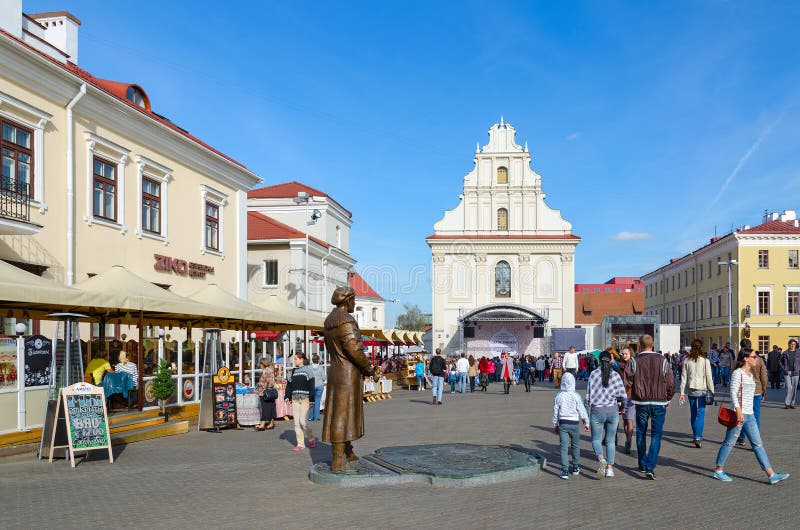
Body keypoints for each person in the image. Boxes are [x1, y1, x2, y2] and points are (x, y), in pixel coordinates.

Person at [713, 349, 790, 484]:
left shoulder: (750, 374)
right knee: (729, 443)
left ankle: (771, 475)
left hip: (750, 415)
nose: (757, 358)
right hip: (739, 415)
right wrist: (738, 411)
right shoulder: (738, 373)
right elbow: (733, 393)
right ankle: (718, 470)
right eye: (754, 357)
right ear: (746, 358)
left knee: (758, 444)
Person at [321, 286, 375, 472]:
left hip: (336, 370)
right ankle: (337, 458)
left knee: (344, 411)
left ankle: (348, 449)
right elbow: (355, 349)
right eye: (353, 300)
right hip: (347, 373)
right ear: (348, 300)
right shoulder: (346, 321)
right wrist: (368, 368)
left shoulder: (329, 321)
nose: (354, 304)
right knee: (342, 414)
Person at [631, 334, 675, 480]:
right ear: (653, 344)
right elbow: (670, 381)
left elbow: (627, 381)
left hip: (641, 402)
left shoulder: (635, 361)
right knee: (656, 435)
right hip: (659, 401)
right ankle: (650, 467)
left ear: (639, 345)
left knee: (641, 433)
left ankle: (643, 464)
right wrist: (667, 397)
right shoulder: (663, 360)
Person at [585, 350, 626, 478]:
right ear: (610, 360)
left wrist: (586, 413)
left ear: (599, 360)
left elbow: (587, 397)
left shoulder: (593, 374)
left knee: (596, 439)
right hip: (612, 411)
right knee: (610, 441)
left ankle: (601, 459)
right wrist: (622, 407)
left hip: (597, 411)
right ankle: (610, 469)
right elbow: (623, 396)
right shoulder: (615, 375)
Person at [552, 372, 589, 479]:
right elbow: (582, 410)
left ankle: (565, 470)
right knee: (575, 446)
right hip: (574, 423)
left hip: (563, 423)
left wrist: (555, 423)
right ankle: (576, 467)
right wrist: (586, 422)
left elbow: (555, 411)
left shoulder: (559, 395)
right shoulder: (576, 395)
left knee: (564, 447)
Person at [678, 339, 714, 448]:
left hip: (690, 390)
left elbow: (683, 378)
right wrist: (712, 390)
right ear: (701, 347)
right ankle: (698, 437)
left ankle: (695, 435)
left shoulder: (687, 361)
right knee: (700, 414)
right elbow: (709, 377)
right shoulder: (705, 361)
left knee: (693, 413)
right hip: (701, 390)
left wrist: (682, 392)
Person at [737, 338, 767, 446]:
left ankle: (741, 438)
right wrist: (764, 389)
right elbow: (764, 376)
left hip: (744, 391)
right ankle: (756, 441)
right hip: (757, 390)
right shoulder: (759, 360)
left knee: (743, 414)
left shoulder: (740, 359)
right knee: (755, 416)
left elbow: (733, 372)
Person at [284, 352, 315, 450]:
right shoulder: (293, 371)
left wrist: (312, 400)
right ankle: (300, 444)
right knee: (296, 423)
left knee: (303, 422)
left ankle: (310, 438)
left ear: (302, 360)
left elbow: (311, 386)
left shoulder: (308, 371)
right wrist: (287, 397)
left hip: (305, 399)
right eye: (294, 359)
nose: (294, 361)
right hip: (295, 399)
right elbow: (289, 385)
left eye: (296, 359)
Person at [617, 347, 636, 454]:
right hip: (622, 395)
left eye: (626, 354)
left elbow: (635, 379)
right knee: (624, 420)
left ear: (630, 354)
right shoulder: (620, 366)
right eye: (623, 354)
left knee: (629, 419)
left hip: (631, 395)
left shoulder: (633, 365)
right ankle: (627, 439)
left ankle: (628, 441)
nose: (624, 355)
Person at [255, 358, 277, 431]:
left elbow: (270, 383)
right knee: (271, 407)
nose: (260, 366)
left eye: (260, 364)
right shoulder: (270, 370)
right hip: (270, 392)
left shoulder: (267, 371)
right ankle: (271, 422)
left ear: (263, 364)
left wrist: (260, 384)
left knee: (265, 408)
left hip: (265, 393)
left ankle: (262, 424)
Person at [780, 339, 799, 409]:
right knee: (789, 388)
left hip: (795, 372)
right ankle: (787, 403)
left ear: (795, 345)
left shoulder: (798, 353)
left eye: (794, 344)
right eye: (791, 344)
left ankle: (792, 403)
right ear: (789, 344)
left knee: (794, 388)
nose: (792, 345)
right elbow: (780, 361)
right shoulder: (785, 352)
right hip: (787, 372)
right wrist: (784, 368)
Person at [307, 354, 327, 422]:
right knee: (317, 401)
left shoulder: (309, 367)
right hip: (319, 385)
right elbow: (324, 378)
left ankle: (310, 417)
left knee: (311, 401)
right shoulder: (321, 368)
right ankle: (316, 417)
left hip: (311, 386)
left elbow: (307, 377)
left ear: (312, 360)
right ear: (318, 360)